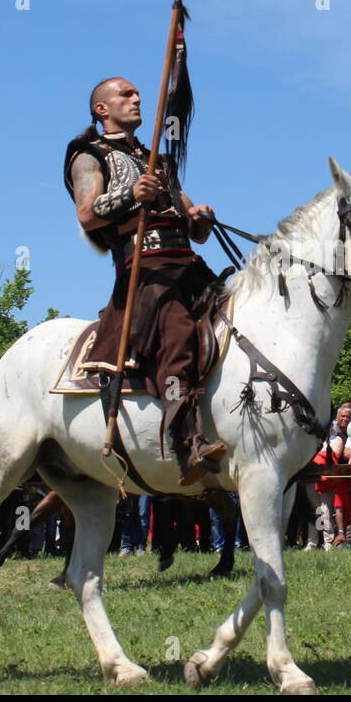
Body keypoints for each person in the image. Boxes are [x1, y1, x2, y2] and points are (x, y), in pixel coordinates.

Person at [64, 75, 224, 482]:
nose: (137, 99)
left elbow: (195, 229)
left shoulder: (159, 161)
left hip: (188, 265)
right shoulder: (89, 154)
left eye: (138, 94)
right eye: (126, 94)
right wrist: (131, 194)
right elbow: (87, 214)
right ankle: (184, 438)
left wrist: (199, 216)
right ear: (102, 109)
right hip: (145, 272)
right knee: (177, 328)